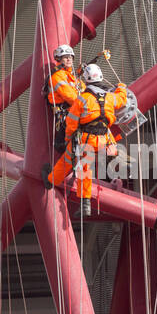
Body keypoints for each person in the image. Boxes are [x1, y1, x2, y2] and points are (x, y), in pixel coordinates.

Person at [47, 63, 127, 215]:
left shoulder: (83, 99)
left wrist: (68, 138)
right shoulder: (110, 97)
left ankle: (57, 184)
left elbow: (71, 122)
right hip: (104, 140)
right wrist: (121, 87)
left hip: (87, 139)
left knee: (72, 163)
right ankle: (113, 161)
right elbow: (122, 100)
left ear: (86, 80)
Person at [45, 44, 82, 155]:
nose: (69, 59)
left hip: (74, 110)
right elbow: (69, 96)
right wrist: (86, 104)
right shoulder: (57, 76)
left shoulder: (71, 76)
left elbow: (83, 90)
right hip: (66, 112)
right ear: (59, 59)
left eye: (70, 57)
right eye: (65, 57)